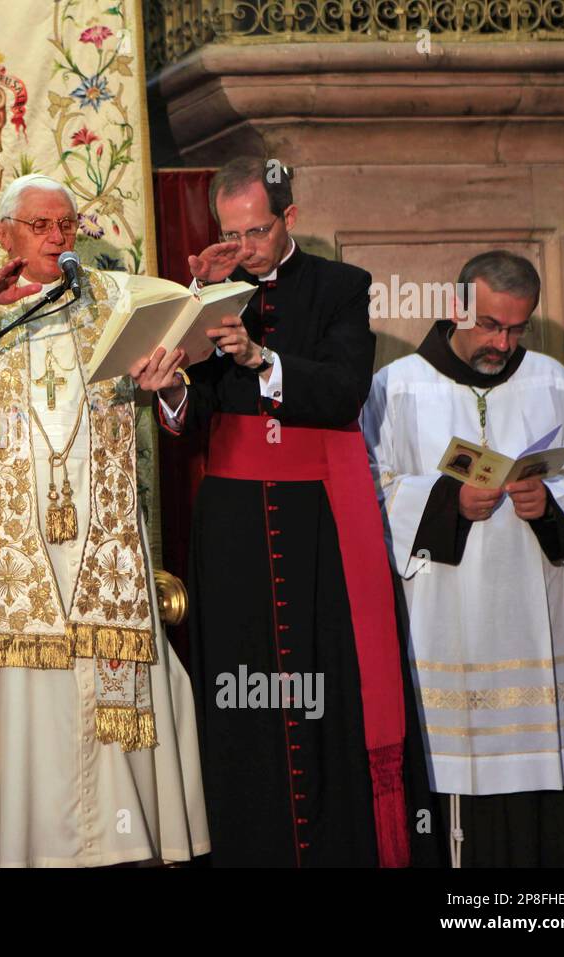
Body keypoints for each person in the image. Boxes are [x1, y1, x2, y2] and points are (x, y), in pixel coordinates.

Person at [0, 173, 211, 867]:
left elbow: (184, 358)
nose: (57, 236)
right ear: (5, 234)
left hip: (106, 548)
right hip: (22, 556)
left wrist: (174, 384)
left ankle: (133, 847)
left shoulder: (116, 298)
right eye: (39, 225)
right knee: (39, 712)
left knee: (128, 694)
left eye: (65, 224)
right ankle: (44, 851)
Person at [163, 156, 412, 866]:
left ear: (290, 219)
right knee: (240, 694)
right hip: (233, 521)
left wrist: (260, 358)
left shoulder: (341, 286)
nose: (247, 247)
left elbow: (343, 390)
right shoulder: (210, 291)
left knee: (324, 685)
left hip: (319, 519)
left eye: (259, 231)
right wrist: (172, 385)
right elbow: (194, 407)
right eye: (233, 233)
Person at [362, 250, 564, 866]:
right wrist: (447, 502)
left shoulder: (552, 382)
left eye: (515, 329)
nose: (501, 344)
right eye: (489, 326)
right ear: (457, 308)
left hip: (538, 622)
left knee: (546, 820)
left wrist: (551, 502)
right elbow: (369, 486)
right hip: (443, 620)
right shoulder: (396, 386)